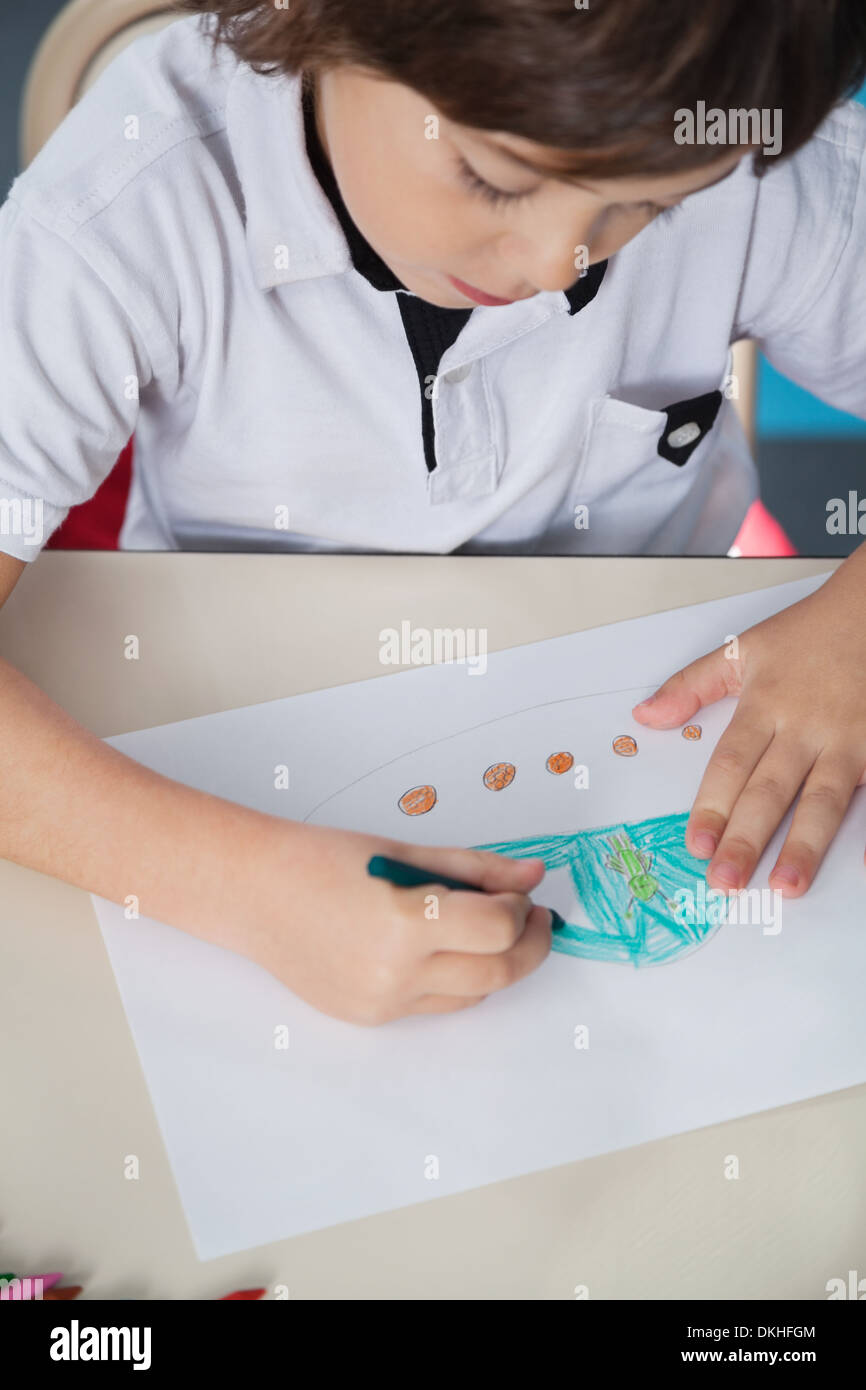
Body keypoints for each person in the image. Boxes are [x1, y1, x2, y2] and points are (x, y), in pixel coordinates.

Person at [0, 1, 864, 1023]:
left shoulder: (743, 137)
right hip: (215, 728)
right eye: (495, 178)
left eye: (649, 208)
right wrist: (240, 887)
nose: (557, 265)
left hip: (633, 702)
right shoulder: (129, 202)